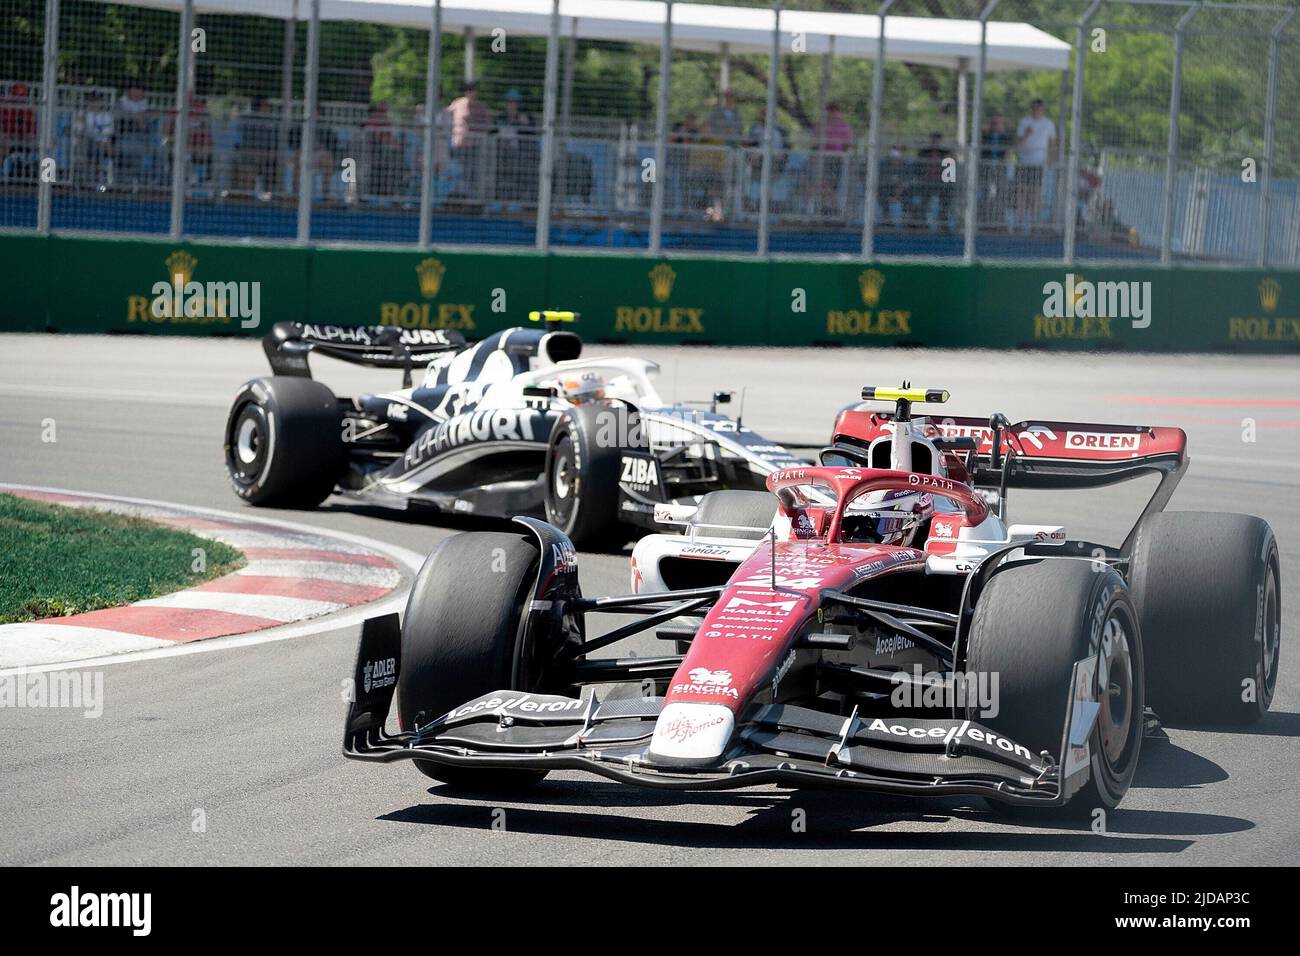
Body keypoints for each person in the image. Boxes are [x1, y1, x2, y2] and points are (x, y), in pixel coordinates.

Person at [443, 81, 490, 198]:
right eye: (469, 90)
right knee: (456, 170)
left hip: (474, 145)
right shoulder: (458, 103)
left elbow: (487, 124)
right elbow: (445, 114)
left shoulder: (481, 107)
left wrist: (474, 124)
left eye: (473, 90)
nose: (471, 93)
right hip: (458, 144)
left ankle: (470, 196)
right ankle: (454, 194)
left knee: (471, 172)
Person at [1015, 98, 1056, 230]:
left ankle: (1033, 222)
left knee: (1035, 192)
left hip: (1038, 163)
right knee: (1022, 190)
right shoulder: (1024, 122)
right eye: (1034, 108)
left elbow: (1053, 143)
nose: (1037, 110)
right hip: (1024, 162)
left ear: (1043, 109)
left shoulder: (1048, 123)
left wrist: (1051, 158)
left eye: (1039, 108)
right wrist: (1026, 135)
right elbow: (1019, 143)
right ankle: (1019, 222)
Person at [495, 89, 536, 203]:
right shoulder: (502, 117)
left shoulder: (527, 117)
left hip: (522, 156)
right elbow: (495, 131)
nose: (511, 105)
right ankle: (502, 202)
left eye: (514, 102)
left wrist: (524, 123)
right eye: (509, 102)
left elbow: (532, 132)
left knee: (521, 178)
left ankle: (519, 202)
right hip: (503, 156)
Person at [115, 86, 154, 186]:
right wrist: (135, 118)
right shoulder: (120, 103)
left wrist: (143, 122)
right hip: (126, 136)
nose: (138, 92)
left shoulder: (147, 105)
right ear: (129, 91)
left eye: (140, 89)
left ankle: (154, 180)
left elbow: (150, 124)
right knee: (133, 148)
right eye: (135, 89)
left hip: (144, 137)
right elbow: (119, 124)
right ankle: (128, 180)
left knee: (159, 148)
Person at [979, 110, 1012, 228]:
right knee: (985, 193)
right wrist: (985, 130)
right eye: (994, 122)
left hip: (1000, 168)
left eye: (998, 122)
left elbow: (1011, 147)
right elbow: (973, 143)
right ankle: (983, 220)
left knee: (1001, 194)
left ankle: (999, 221)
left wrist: (1002, 132)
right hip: (985, 168)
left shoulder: (1005, 136)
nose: (995, 125)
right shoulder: (984, 134)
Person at [0, 82, 38, 181]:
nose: (19, 99)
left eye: (22, 95)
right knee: (4, 142)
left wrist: (26, 135)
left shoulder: (29, 110)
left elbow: (32, 131)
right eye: (17, 94)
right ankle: (2, 172)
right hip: (7, 136)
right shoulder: (5, 105)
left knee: (49, 143)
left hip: (23, 137)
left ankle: (47, 178)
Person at [916, 132, 953, 231]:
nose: (935, 141)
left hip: (941, 182)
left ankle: (943, 220)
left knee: (947, 194)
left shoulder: (945, 153)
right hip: (926, 182)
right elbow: (918, 169)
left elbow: (950, 170)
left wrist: (948, 182)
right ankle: (921, 222)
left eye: (937, 139)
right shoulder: (923, 152)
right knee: (923, 197)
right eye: (933, 139)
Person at [78, 92, 114, 188]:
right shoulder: (83, 114)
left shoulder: (106, 115)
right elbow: (79, 130)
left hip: (103, 142)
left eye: (97, 100)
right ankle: (103, 172)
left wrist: (102, 140)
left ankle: (109, 171)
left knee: (107, 143)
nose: (95, 103)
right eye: (92, 101)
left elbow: (108, 131)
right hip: (87, 141)